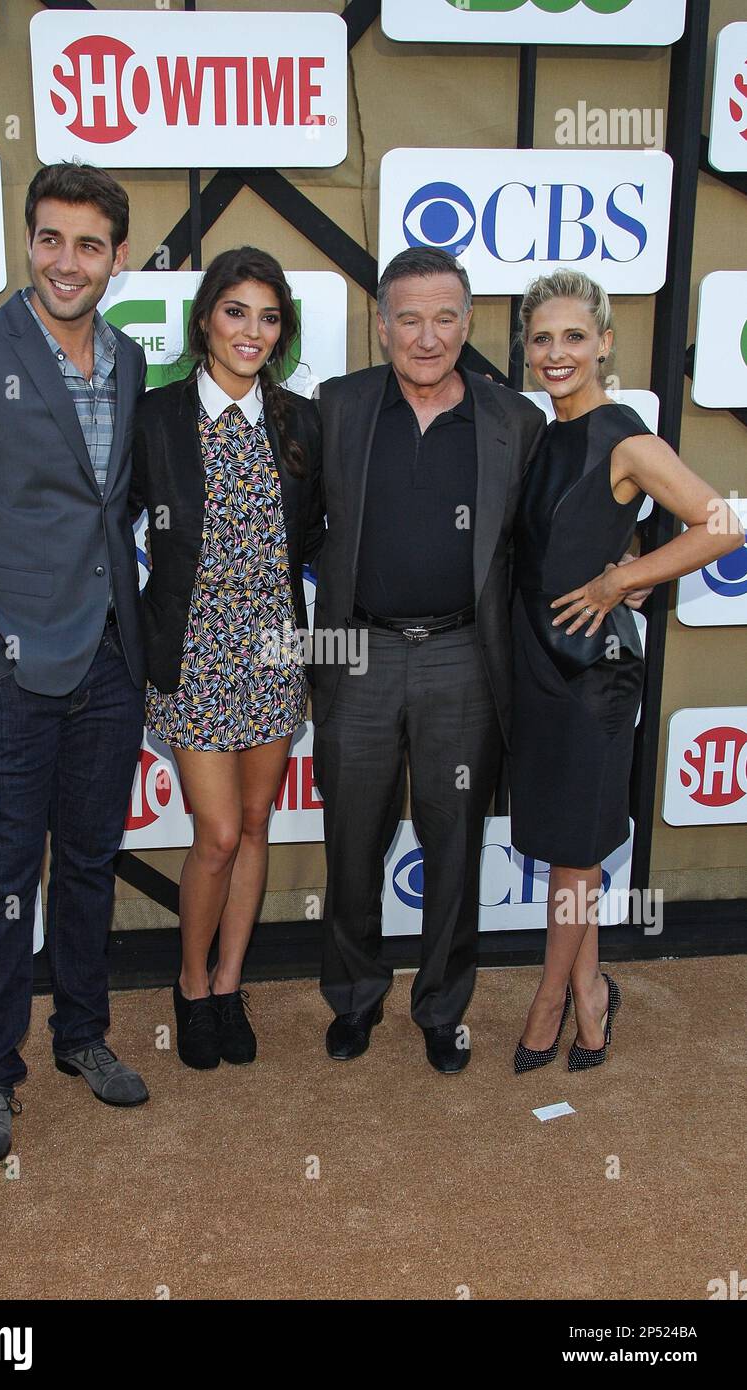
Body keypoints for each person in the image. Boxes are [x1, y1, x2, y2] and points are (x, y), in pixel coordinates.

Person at [0, 163, 149, 1164]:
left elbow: (115, 510)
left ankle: (82, 1035)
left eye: (88, 245)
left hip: (108, 659)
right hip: (13, 667)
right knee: (7, 874)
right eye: (50, 239)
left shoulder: (132, 360)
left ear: (116, 259)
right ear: (27, 241)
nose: (67, 261)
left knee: (91, 862)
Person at [311, 246, 547, 1073]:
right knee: (351, 841)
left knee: (454, 845)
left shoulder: (515, 419)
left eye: (444, 316)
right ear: (381, 326)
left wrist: (619, 580)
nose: (426, 335)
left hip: (462, 662)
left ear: (469, 321)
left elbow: (542, 543)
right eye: (407, 317)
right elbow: (303, 530)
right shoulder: (336, 407)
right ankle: (353, 998)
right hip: (358, 651)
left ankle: (443, 1008)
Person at [510, 268, 745, 1074]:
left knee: (575, 852)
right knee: (567, 849)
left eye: (574, 336)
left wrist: (623, 581)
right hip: (537, 671)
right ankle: (589, 999)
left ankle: (549, 1002)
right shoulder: (543, 435)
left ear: (606, 343)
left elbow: (721, 524)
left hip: (593, 679)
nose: (556, 352)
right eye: (542, 338)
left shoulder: (627, 438)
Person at [131, 247, 323, 1070]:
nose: (252, 330)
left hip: (275, 651)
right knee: (213, 833)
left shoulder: (301, 420)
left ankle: (231, 981)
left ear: (282, 333)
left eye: (269, 316)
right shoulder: (157, 417)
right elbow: (108, 526)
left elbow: (320, 537)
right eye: (236, 311)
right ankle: (189, 981)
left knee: (253, 824)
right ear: (205, 317)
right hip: (193, 653)